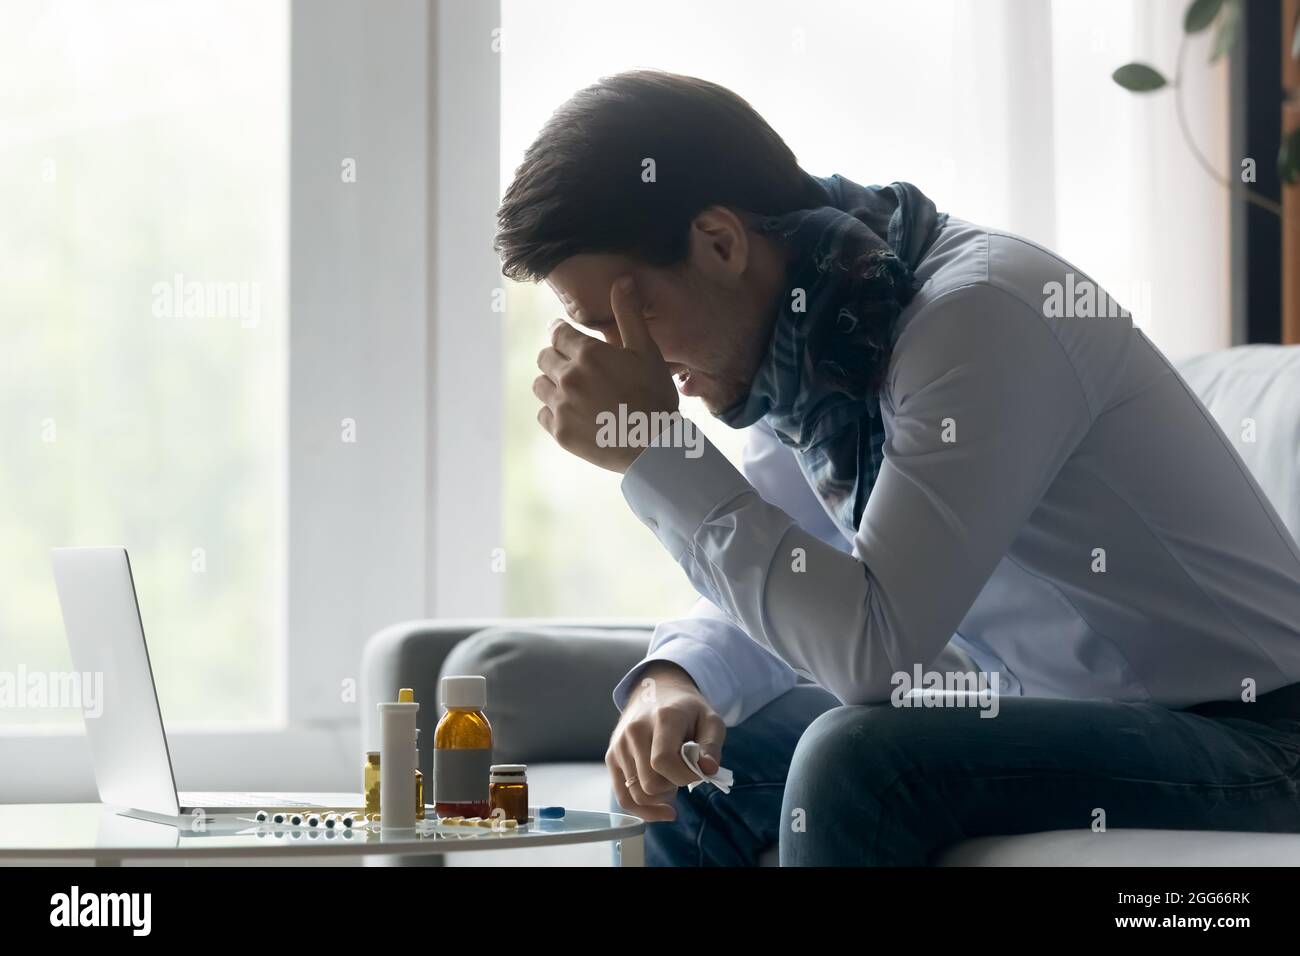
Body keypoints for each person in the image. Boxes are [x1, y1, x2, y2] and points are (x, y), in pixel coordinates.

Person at [495, 70, 1300, 865]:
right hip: (1051, 714)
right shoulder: (820, 349)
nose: (630, 362)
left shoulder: (978, 318)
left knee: (861, 762)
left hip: (1254, 737)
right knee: (691, 768)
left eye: (622, 320)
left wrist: (654, 448)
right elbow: (796, 563)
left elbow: (875, 653)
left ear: (720, 242)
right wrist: (674, 677)